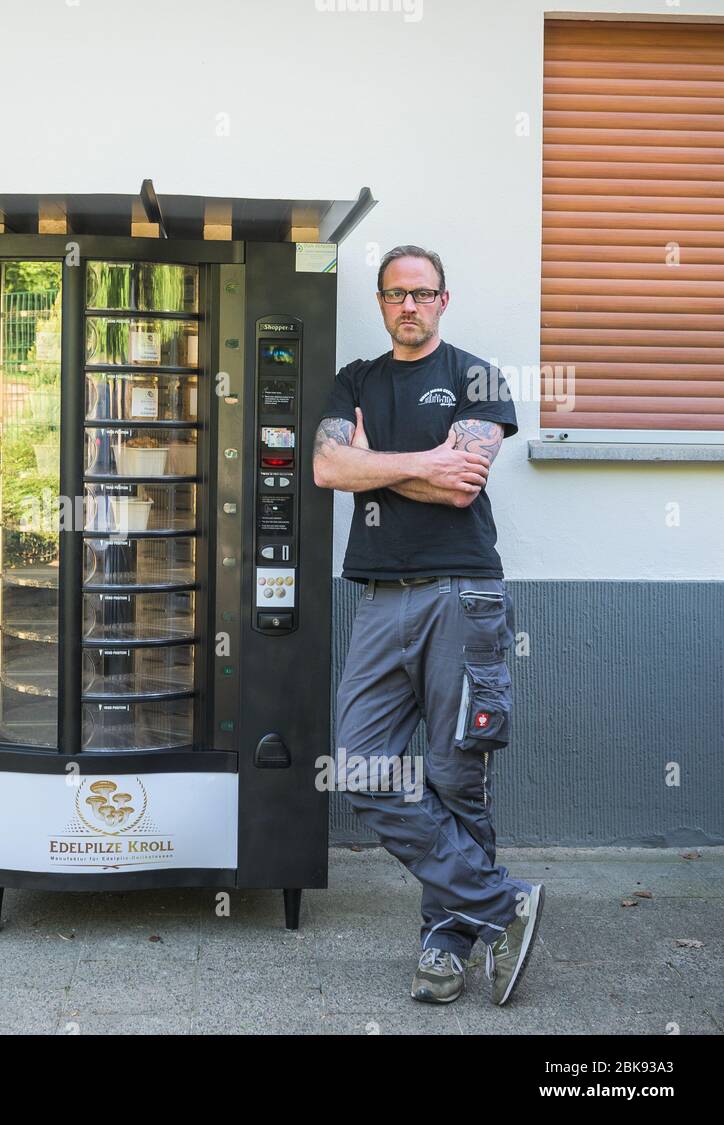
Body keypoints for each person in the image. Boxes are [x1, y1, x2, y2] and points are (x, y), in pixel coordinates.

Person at [311, 244, 543, 1006]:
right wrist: (416, 462)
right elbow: (326, 470)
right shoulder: (354, 380)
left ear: (444, 299)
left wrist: (374, 458)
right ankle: (503, 903)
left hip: (462, 594)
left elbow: (460, 485)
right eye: (395, 295)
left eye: (422, 293)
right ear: (381, 303)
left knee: (454, 776)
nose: (408, 306)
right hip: (380, 597)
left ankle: (444, 945)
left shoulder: (477, 377)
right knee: (361, 764)